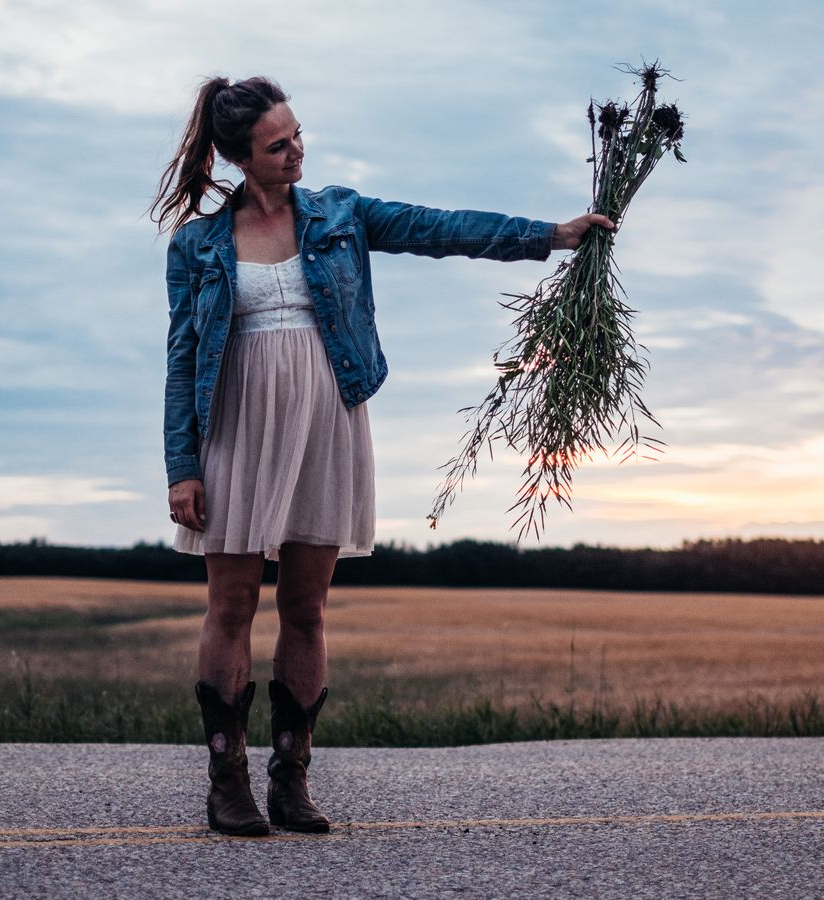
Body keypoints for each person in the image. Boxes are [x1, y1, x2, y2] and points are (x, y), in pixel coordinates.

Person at [146, 75, 614, 837]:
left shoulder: (340, 213)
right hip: (234, 429)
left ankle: (291, 779)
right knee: (231, 604)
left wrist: (549, 237)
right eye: (278, 144)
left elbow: (438, 227)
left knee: (307, 606)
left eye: (298, 134)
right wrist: (182, 466)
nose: (297, 150)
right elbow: (181, 357)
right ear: (239, 156)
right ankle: (226, 784)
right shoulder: (197, 244)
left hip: (328, 421)